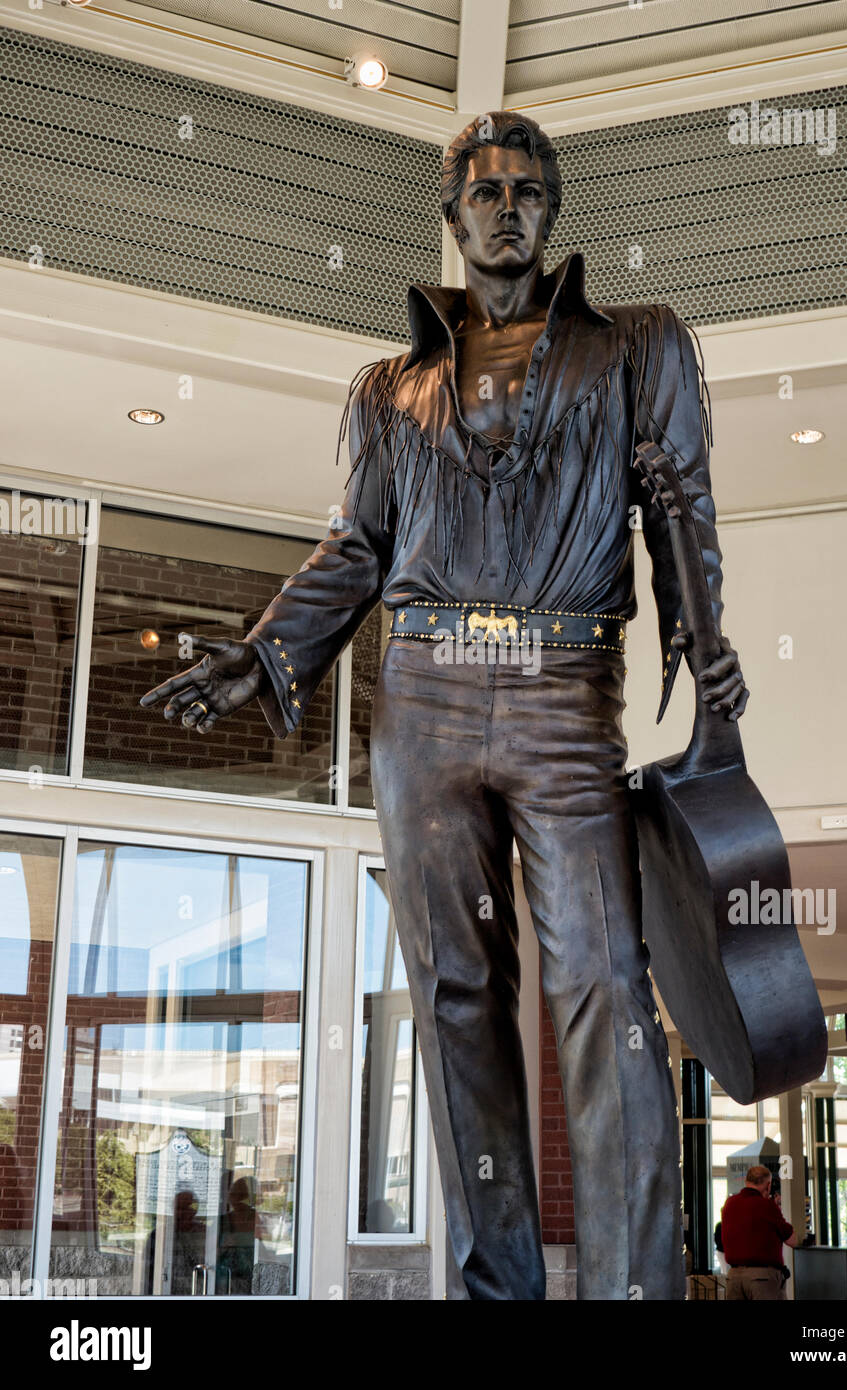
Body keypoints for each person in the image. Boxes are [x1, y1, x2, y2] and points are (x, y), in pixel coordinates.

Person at [140, 110, 748, 1301]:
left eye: (528, 188)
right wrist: (267, 657)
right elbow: (356, 547)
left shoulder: (635, 347)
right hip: (419, 699)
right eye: (486, 190)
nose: (507, 205)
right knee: (456, 1001)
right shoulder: (387, 390)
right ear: (453, 214)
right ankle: (494, 1289)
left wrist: (708, 653)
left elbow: (683, 505)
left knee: (604, 992)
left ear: (552, 211)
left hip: (568, 693)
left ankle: (636, 1289)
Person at [720, 1165, 797, 1300]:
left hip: (734, 1278)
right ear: (768, 1185)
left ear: (746, 1181)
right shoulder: (767, 1206)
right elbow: (792, 1240)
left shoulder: (729, 1204)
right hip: (762, 1278)